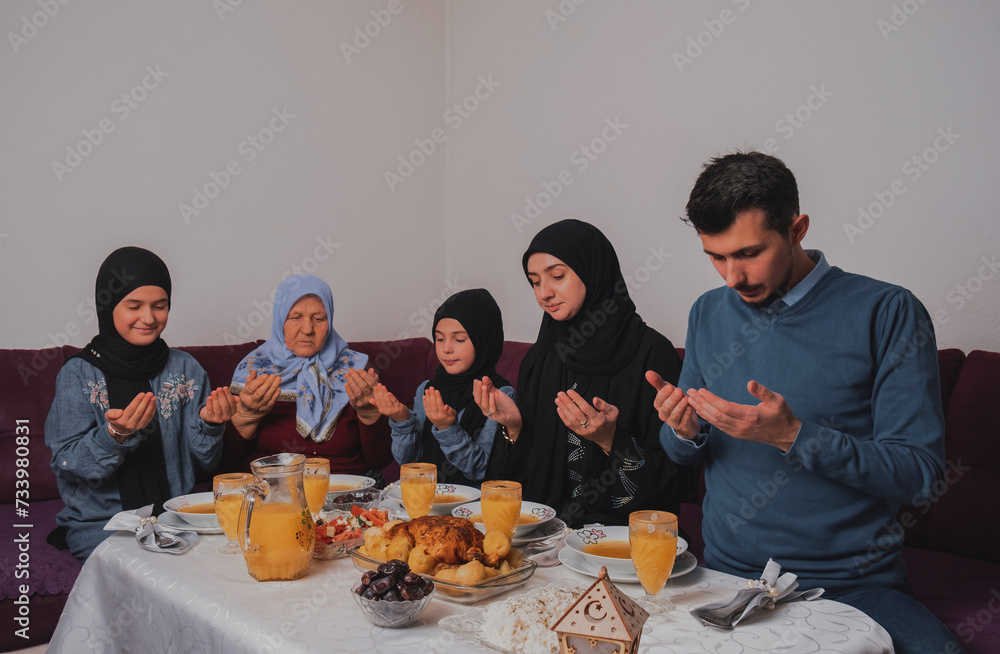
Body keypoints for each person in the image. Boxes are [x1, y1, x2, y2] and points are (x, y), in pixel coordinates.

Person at [648, 151, 963, 653]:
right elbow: (682, 451)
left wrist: (794, 436)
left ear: (797, 230)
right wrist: (683, 431)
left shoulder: (887, 311)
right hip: (726, 579)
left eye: (749, 253)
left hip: (854, 586)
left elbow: (921, 476)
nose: (732, 277)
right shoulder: (708, 312)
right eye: (716, 256)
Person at [478, 219, 687, 528]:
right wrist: (514, 427)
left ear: (593, 270)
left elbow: (675, 477)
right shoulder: (540, 359)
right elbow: (523, 481)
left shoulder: (652, 355)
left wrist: (610, 440)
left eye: (557, 276)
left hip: (622, 538)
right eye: (535, 282)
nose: (544, 293)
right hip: (545, 531)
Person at [45, 247, 238, 560]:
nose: (149, 318)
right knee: (152, 573)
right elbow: (65, 464)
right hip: (105, 525)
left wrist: (211, 425)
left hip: (177, 518)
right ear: (108, 306)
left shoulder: (186, 369)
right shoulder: (79, 373)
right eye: (134, 306)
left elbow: (205, 463)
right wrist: (114, 436)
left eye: (160, 306)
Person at [229, 275, 392, 480]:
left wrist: (369, 414)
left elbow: (381, 460)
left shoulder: (357, 370)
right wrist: (245, 417)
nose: (307, 330)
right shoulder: (254, 369)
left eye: (318, 319)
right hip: (271, 486)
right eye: (295, 317)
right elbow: (223, 463)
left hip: (343, 485)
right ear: (280, 319)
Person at [369, 288, 513, 485]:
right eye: (439, 338)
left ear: (484, 340)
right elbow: (409, 463)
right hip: (425, 496)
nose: (446, 349)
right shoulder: (427, 389)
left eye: (459, 339)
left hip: (470, 502)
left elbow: (482, 470)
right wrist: (401, 420)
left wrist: (448, 429)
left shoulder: (500, 395)